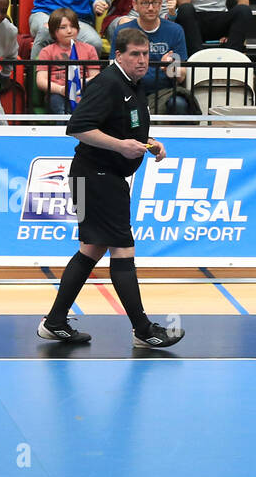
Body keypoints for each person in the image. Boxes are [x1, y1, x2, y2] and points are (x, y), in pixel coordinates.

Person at [38, 27, 184, 349]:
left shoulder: (132, 84)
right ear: (118, 55)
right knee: (122, 250)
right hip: (97, 177)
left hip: (100, 176)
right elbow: (77, 128)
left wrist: (149, 145)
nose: (142, 60)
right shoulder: (108, 83)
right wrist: (120, 146)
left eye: (146, 54)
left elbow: (123, 127)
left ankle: (55, 322)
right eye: (135, 54)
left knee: (91, 248)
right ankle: (143, 330)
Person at [120, 0, 193, 113]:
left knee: (180, 104)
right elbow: (115, 68)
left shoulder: (175, 30)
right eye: (145, 3)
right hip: (130, 89)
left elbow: (181, 76)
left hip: (165, 92)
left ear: (161, 3)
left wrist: (170, 67)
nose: (150, 8)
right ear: (135, 5)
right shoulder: (123, 31)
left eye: (155, 2)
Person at [34, 6, 100, 113]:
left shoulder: (89, 49)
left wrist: (79, 84)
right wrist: (61, 89)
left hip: (83, 91)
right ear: (53, 31)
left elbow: (95, 76)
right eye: (63, 27)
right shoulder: (47, 51)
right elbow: (41, 81)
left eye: (73, 26)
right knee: (60, 107)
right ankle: (63, 128)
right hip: (58, 92)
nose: (69, 31)